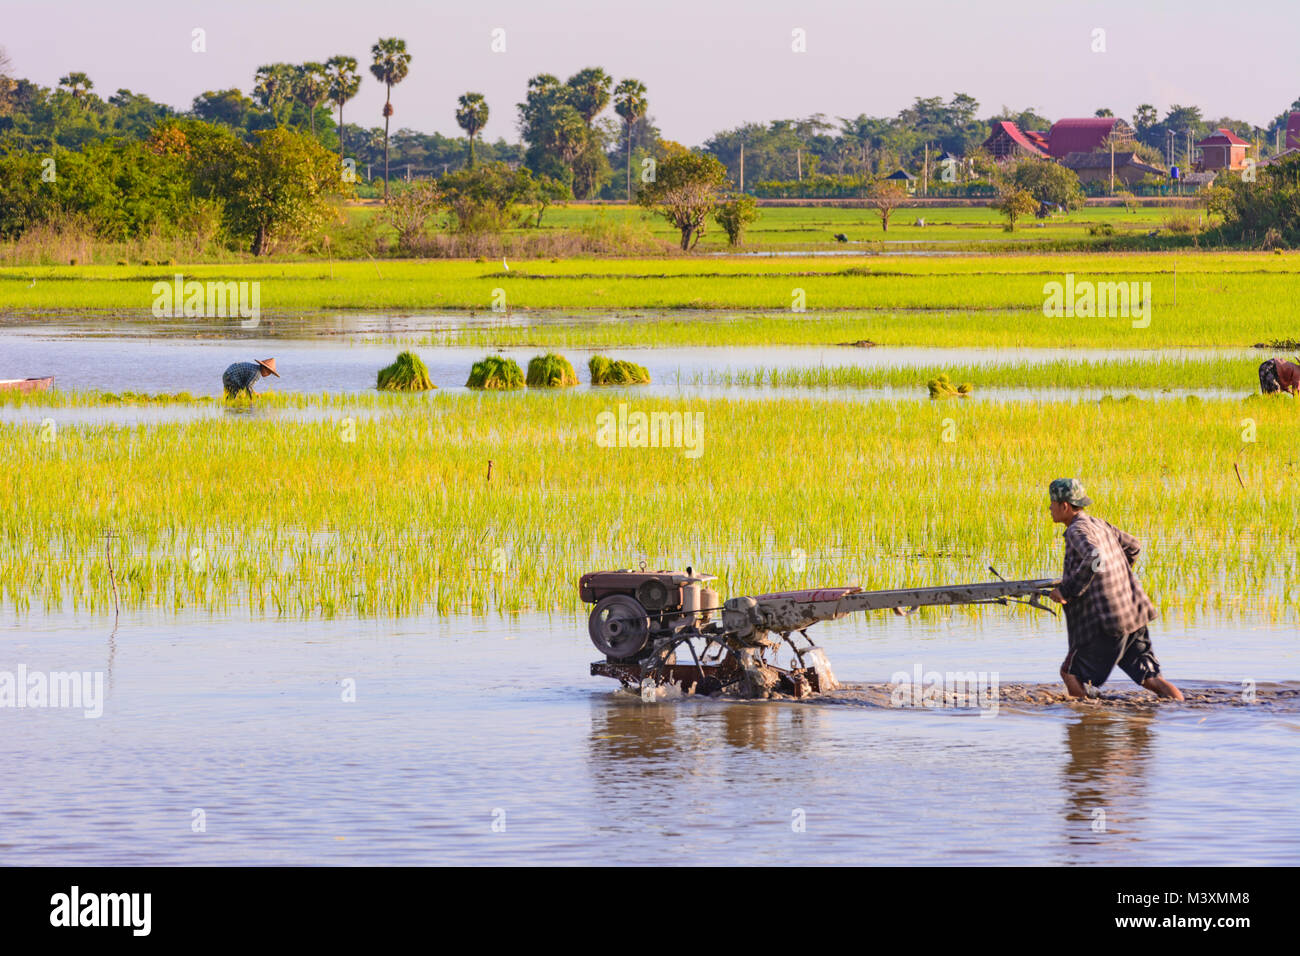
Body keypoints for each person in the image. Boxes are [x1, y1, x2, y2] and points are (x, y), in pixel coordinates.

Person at [1046, 478, 1183, 701]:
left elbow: (1095, 556)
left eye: (1052, 502)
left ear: (1065, 506)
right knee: (1151, 678)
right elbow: (1134, 546)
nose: (1049, 508)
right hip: (1133, 613)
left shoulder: (1076, 531)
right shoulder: (1100, 525)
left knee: (1070, 673)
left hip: (1108, 623)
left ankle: (1088, 726)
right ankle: (1182, 711)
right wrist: (1116, 576)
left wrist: (1067, 590)